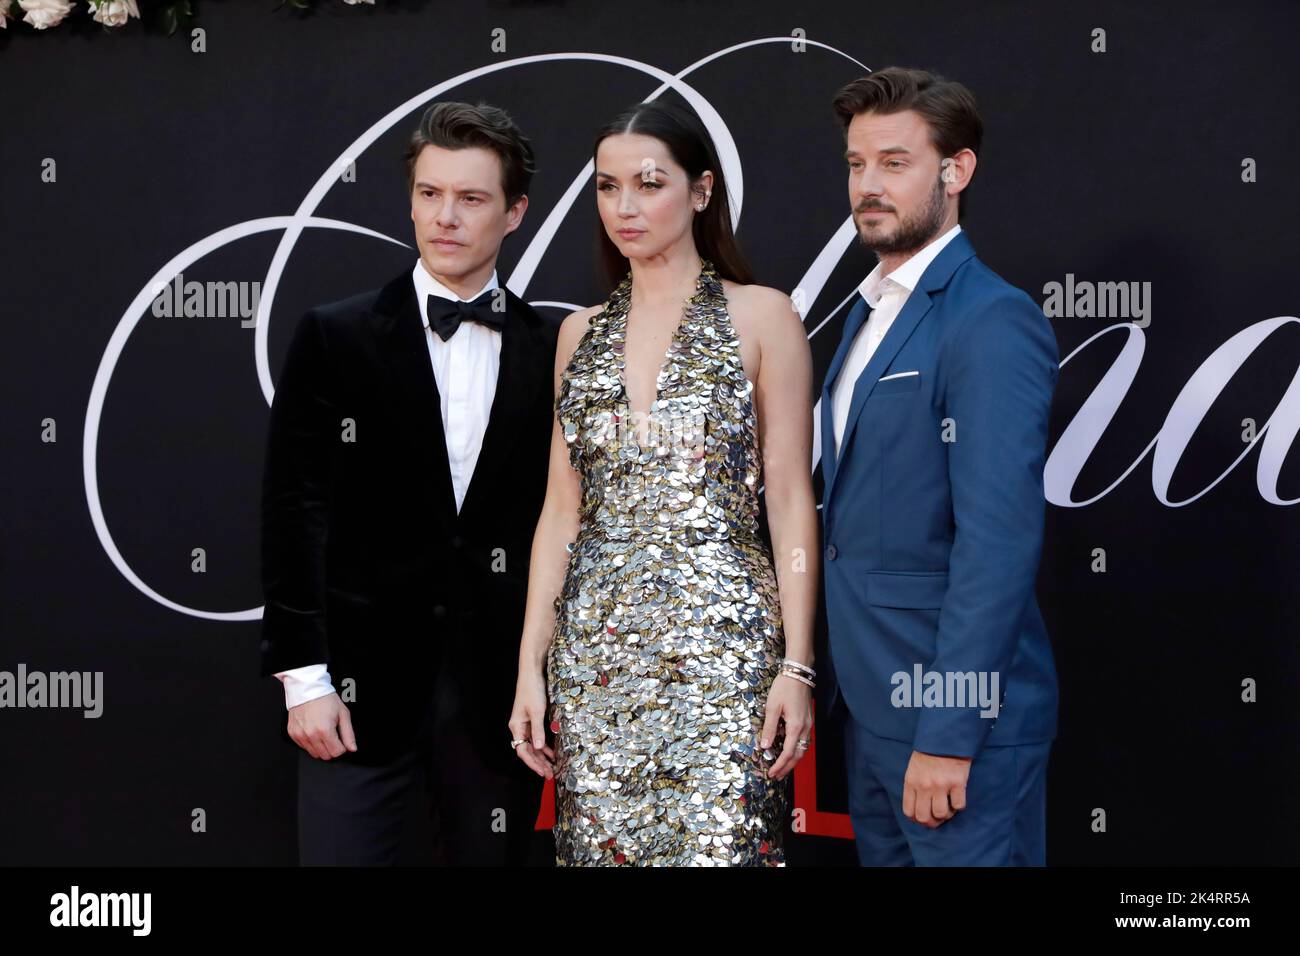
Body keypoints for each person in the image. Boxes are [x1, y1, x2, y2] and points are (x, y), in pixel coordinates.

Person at [508, 99, 820, 866]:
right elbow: (560, 512)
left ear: (701, 190)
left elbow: (788, 499)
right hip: (596, 657)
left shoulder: (764, 317)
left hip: (726, 651)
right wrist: (529, 667)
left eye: (649, 184)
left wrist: (798, 665)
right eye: (607, 187)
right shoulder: (578, 333)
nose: (625, 206)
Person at [260, 101, 558, 865]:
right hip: (358, 695)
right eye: (430, 194)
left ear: (515, 211)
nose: (446, 217)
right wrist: (303, 678)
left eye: (471, 198)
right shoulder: (335, 335)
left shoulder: (554, 350)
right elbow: (295, 510)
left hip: (504, 706)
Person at [818, 67, 1060, 866]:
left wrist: (950, 737)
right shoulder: (868, 312)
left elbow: (996, 544)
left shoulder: (990, 318)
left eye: (894, 163)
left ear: (955, 173)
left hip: (953, 730)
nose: (868, 186)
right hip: (874, 713)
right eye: (857, 165)